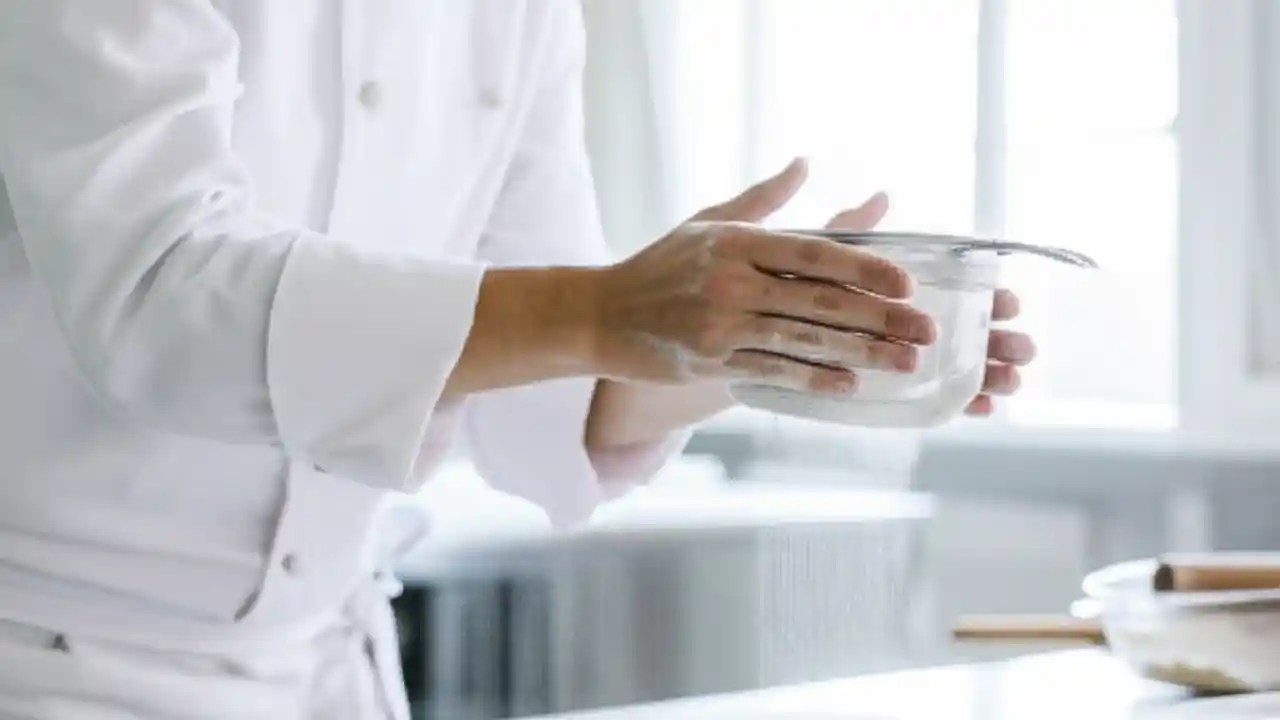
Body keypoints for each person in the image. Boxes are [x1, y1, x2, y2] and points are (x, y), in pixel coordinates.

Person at [0, 2, 1035, 718]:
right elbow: (159, 295)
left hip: (323, 667)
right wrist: (610, 308)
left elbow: (555, 386)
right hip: (53, 667)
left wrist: (763, 334)